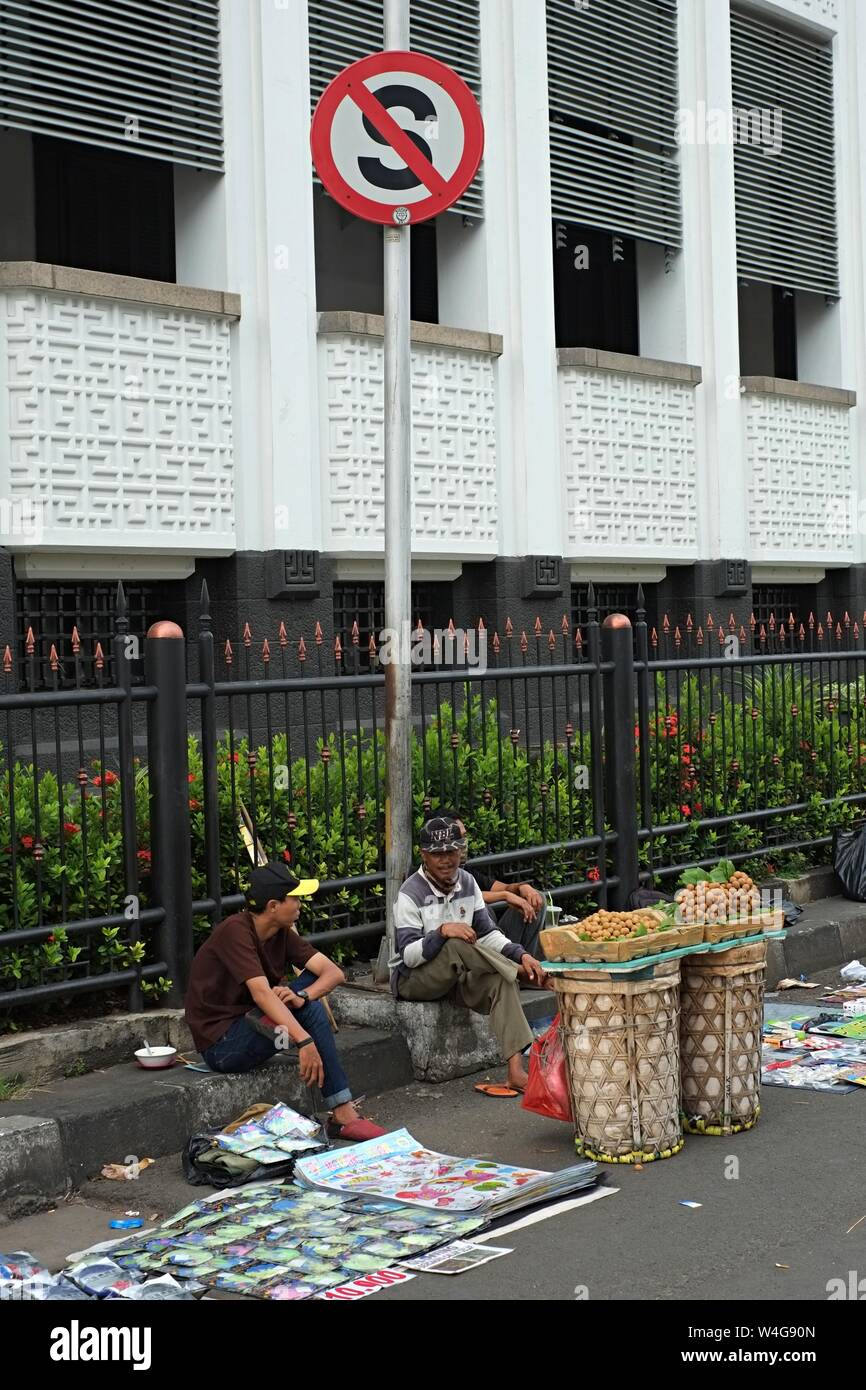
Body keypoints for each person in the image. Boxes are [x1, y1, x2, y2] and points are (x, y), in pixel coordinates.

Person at [184, 861, 384, 1140]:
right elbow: (261, 993)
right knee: (308, 1010)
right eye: (295, 898)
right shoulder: (235, 931)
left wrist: (301, 995)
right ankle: (343, 1114)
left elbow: (333, 973)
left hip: (256, 1019)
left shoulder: (281, 933)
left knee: (306, 999)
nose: (300, 904)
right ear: (273, 906)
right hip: (224, 1044)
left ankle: (342, 1113)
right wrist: (304, 1041)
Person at [391, 817, 551, 1093]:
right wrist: (442, 932)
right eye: (438, 854)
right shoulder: (410, 892)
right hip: (414, 980)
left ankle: (515, 1071)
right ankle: (524, 974)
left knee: (501, 981)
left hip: (457, 977)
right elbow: (409, 956)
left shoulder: (467, 882)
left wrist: (521, 955)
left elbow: (488, 934)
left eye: (452, 851)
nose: (446, 860)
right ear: (424, 855)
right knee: (455, 942)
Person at [433, 808, 547, 961]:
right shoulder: (425, 875)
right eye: (459, 837)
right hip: (460, 951)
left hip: (493, 939)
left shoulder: (466, 872)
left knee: (535, 898)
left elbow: (504, 887)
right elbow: (459, 897)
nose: (464, 842)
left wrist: (522, 888)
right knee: (483, 909)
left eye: (465, 836)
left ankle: (527, 964)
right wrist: (505, 896)